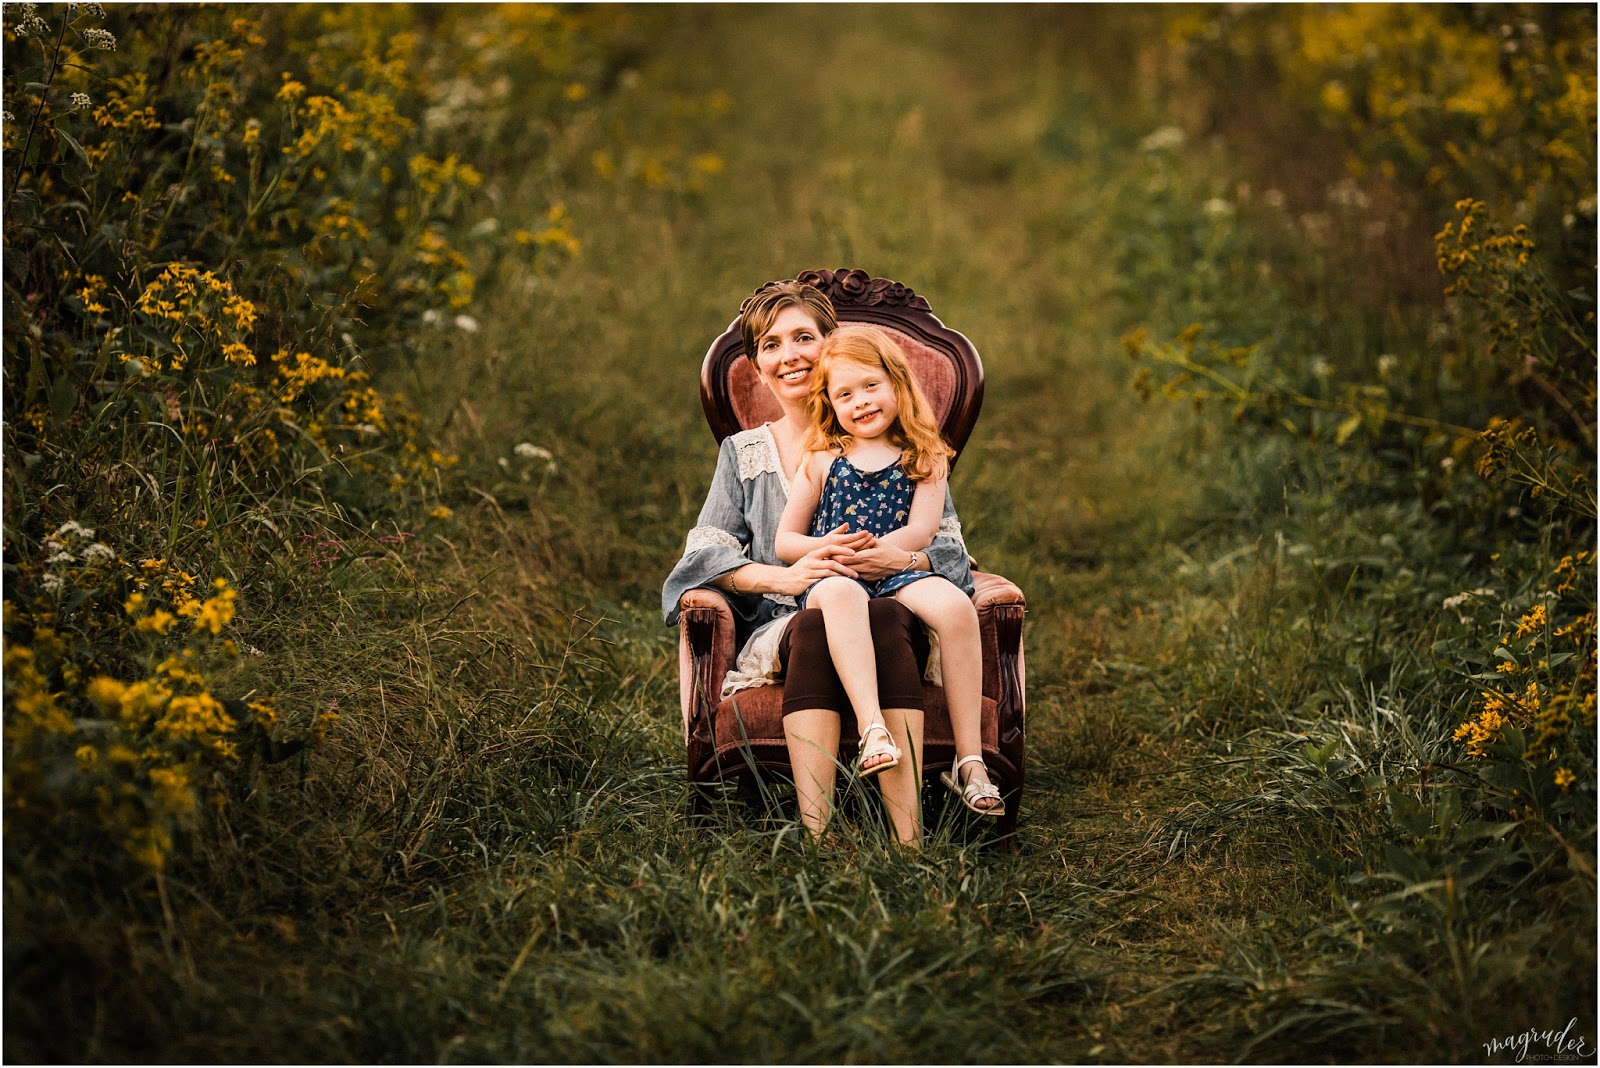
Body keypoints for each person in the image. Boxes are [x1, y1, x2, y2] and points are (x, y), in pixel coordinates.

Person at [661, 280, 987, 842]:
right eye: (771, 345)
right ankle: (820, 832)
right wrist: (787, 576)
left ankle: (908, 833)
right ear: (758, 369)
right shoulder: (745, 453)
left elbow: (948, 550)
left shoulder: (904, 442)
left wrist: (897, 557)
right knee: (817, 622)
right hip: (792, 616)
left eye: (804, 338)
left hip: (891, 606)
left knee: (883, 614)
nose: (789, 355)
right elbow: (704, 556)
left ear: (834, 345)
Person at [775, 325, 1004, 817]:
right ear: (829, 403)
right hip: (834, 575)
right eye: (844, 394)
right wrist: (829, 549)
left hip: (896, 571)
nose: (860, 402)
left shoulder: (925, 455)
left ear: (897, 384)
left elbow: (922, 529)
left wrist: (882, 554)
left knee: (955, 607)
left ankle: (970, 761)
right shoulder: (822, 457)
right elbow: (785, 541)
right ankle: (873, 729)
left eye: (871, 386)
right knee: (844, 595)